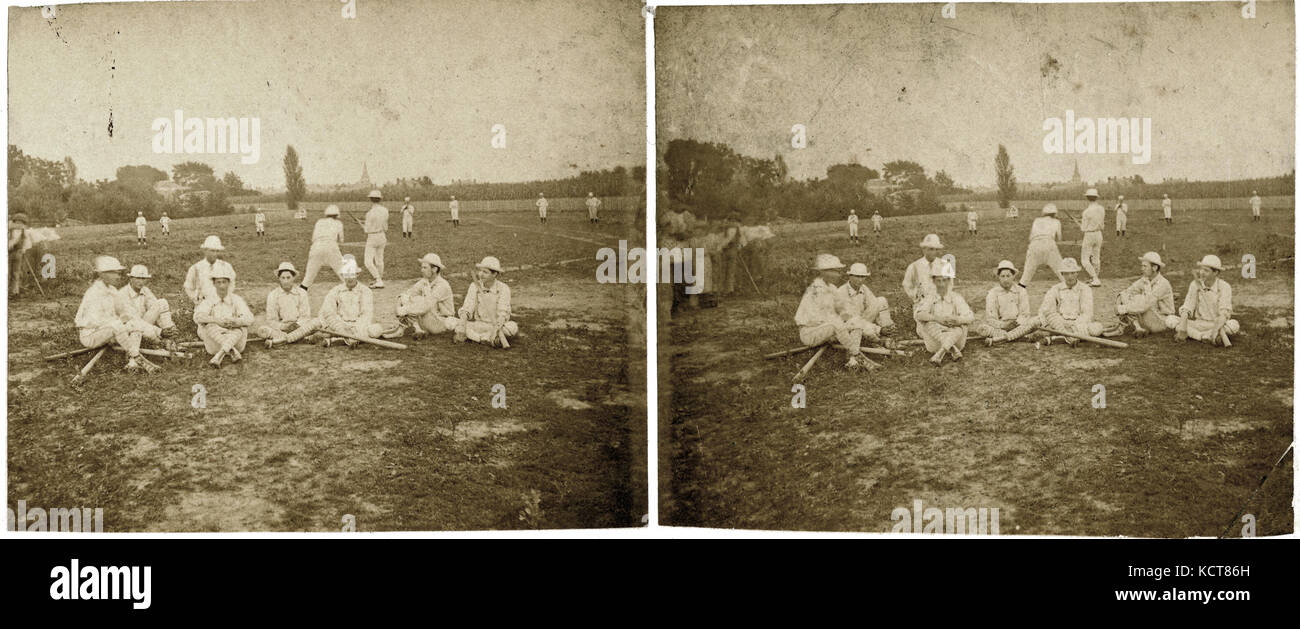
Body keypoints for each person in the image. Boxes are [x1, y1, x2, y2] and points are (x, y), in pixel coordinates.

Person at [75, 256, 155, 372]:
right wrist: (118, 323)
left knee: (134, 325)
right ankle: (136, 356)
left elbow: (121, 311)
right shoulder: (94, 293)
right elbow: (91, 322)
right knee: (117, 325)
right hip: (91, 335)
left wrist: (127, 319)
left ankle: (132, 363)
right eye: (115, 273)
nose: (118, 277)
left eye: (119, 273)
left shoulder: (112, 290)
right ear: (103, 275)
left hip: (109, 332)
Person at [794, 254, 874, 370]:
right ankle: (857, 355)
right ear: (825, 272)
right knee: (836, 324)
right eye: (836, 271)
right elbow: (815, 319)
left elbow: (841, 310)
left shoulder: (832, 288)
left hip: (828, 330)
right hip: (810, 332)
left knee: (854, 324)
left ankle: (852, 361)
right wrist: (839, 326)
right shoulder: (815, 291)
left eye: (838, 271)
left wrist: (853, 321)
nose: (839, 274)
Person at [913, 258, 974, 366]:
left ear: (949, 281)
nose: (941, 285)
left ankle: (941, 353)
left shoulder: (956, 297)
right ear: (934, 282)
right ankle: (951, 349)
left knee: (960, 327)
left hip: (957, 340)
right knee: (927, 322)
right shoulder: (930, 298)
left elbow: (970, 317)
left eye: (944, 280)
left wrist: (957, 320)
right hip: (934, 343)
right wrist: (937, 318)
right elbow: (918, 314)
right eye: (938, 281)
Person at [1103, 252, 1178, 338]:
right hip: (1148, 316)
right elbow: (1128, 291)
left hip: (1162, 322)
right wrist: (1120, 299)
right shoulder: (1145, 279)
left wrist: (1123, 308)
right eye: (1142, 266)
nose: (1142, 269)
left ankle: (1129, 327)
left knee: (1139, 299)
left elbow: (1145, 305)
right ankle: (1133, 328)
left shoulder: (1163, 283)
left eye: (1145, 266)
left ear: (1154, 268)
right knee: (1125, 296)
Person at [193, 260, 253, 367]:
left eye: (224, 282)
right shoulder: (209, 300)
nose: (221, 286)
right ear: (214, 284)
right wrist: (216, 321)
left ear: (229, 283)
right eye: (218, 282)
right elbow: (197, 317)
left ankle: (220, 355)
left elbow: (250, 318)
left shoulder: (236, 299)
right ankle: (231, 350)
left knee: (239, 328)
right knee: (209, 325)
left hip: (236, 342)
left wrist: (236, 322)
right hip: (214, 345)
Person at [383, 253, 457, 339]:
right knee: (406, 298)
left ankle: (405, 329)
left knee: (420, 302)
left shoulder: (442, 285)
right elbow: (407, 294)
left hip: (442, 323)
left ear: (434, 269)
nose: (421, 270)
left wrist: (403, 310)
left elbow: (426, 306)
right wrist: (399, 303)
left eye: (425, 267)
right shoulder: (425, 281)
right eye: (422, 267)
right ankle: (410, 329)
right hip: (429, 318)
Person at [1175, 254, 1239, 346]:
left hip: (1217, 324)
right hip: (1198, 323)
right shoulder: (1195, 284)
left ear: (1215, 272)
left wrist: (1216, 328)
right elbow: (1187, 307)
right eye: (1201, 269)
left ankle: (1202, 335)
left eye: (1206, 270)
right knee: (1172, 320)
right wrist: (1182, 328)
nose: (1202, 273)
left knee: (1234, 325)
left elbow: (1224, 314)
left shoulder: (1225, 287)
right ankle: (1203, 337)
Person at [455, 256, 519, 348]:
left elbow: (502, 314)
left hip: (496, 326)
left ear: (495, 274)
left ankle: (478, 338)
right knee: (452, 322)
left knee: (512, 327)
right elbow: (467, 308)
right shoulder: (474, 285)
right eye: (480, 271)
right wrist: (461, 326)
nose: (480, 274)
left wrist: (495, 331)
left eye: (485, 272)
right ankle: (487, 339)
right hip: (478, 325)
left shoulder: (503, 288)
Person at [1037, 257, 1103, 346]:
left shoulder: (1085, 289)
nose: (1070, 276)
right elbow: (1046, 309)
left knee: (1097, 328)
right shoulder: (1056, 288)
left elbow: (1087, 313)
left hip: (1078, 323)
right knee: (1042, 319)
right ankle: (1071, 337)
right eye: (1066, 274)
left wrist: (1074, 325)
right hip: (1060, 323)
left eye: (1073, 273)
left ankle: (1058, 338)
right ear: (1062, 274)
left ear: (1077, 273)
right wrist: (1061, 323)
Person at [319, 259, 384, 347]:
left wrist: (355, 329)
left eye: (352, 274)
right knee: (323, 328)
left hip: (359, 326)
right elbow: (328, 312)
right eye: (346, 274)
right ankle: (352, 339)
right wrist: (341, 328)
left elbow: (366, 315)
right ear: (343, 276)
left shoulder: (365, 291)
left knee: (376, 330)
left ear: (357, 274)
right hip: (340, 325)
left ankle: (337, 340)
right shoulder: (336, 290)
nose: (349, 278)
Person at [117, 264, 179, 352]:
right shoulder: (122, 294)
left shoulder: (145, 290)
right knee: (135, 324)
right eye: (137, 278)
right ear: (131, 278)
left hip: (143, 325)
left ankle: (170, 337)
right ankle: (160, 342)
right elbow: (134, 321)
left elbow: (156, 309)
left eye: (143, 279)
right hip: (128, 329)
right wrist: (160, 332)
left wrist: (170, 327)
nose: (140, 282)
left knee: (162, 302)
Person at [977, 260, 1038, 345]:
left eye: (1008, 276)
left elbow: (1025, 314)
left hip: (1020, 325)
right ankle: (1021, 337)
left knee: (1037, 320)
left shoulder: (1021, 291)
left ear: (1013, 276)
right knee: (982, 329)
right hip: (1001, 327)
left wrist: (1017, 323)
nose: (1005, 279)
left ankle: (999, 339)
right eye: (1003, 276)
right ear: (998, 277)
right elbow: (991, 319)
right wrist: (1004, 325)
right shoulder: (992, 293)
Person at [261, 262, 320, 348]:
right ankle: (296, 338)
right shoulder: (273, 295)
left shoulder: (301, 293)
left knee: (317, 321)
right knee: (262, 330)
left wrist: (297, 325)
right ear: (279, 279)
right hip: (282, 329)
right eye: (283, 278)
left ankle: (279, 341)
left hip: (300, 327)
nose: (286, 281)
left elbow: (305, 316)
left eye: (288, 277)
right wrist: (284, 326)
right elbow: (271, 320)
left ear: (293, 278)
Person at [836, 262, 895, 342]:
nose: (860, 280)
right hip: (848, 325)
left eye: (863, 277)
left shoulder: (863, 288)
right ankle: (878, 339)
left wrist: (885, 324)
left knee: (881, 300)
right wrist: (879, 329)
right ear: (850, 276)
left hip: (861, 320)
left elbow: (873, 304)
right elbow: (852, 320)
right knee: (863, 328)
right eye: (857, 276)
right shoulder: (841, 292)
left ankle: (889, 331)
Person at [302, 205, 346, 290]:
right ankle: (354, 293)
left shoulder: (319, 222)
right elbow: (341, 240)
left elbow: (313, 239)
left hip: (316, 247)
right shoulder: (339, 223)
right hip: (331, 247)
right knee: (343, 274)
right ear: (337, 215)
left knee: (308, 278)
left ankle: (299, 294)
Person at [1019, 204, 1064, 287]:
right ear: (1054, 213)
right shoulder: (1057, 222)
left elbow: (1030, 237)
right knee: (1062, 272)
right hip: (1049, 244)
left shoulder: (1037, 220)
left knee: (1026, 275)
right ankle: (1073, 291)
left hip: (1034, 244)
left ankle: (1016, 293)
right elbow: (1060, 238)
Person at [184, 235, 234, 304]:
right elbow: (188, 287)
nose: (215, 254)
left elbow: (231, 285)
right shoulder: (196, 268)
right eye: (212, 251)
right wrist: (196, 298)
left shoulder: (226, 266)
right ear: (205, 250)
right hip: (203, 306)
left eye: (217, 251)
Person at [902, 234, 943, 302]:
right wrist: (916, 295)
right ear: (924, 250)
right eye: (931, 249)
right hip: (922, 304)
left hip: (941, 304)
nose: (934, 252)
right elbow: (906, 285)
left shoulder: (944, 265)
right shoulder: (914, 266)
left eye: (936, 249)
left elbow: (950, 286)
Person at [363, 189, 389, 288]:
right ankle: (379, 280)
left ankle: (378, 280)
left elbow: (366, 229)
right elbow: (385, 227)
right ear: (380, 199)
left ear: (370, 199)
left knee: (368, 262)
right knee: (379, 260)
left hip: (373, 237)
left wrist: (364, 226)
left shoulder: (369, 213)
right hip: (382, 236)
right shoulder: (385, 210)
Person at [1080, 188, 1104, 287]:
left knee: (1084, 259)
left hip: (1089, 235)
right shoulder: (1101, 209)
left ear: (1087, 198)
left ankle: (1095, 279)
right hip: (1099, 234)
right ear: (1096, 198)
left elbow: (1083, 228)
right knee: (1096, 258)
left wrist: (1081, 225)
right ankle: (1095, 278)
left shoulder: (1086, 212)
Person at [8, 213, 31, 297]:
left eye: (20, 222)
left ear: (23, 223)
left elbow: (26, 242)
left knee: (15, 272)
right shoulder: (9, 230)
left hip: (18, 253)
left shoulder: (24, 232)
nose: (18, 224)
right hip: (9, 253)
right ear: (14, 222)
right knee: (8, 272)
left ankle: (14, 291)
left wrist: (23, 249)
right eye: (17, 222)